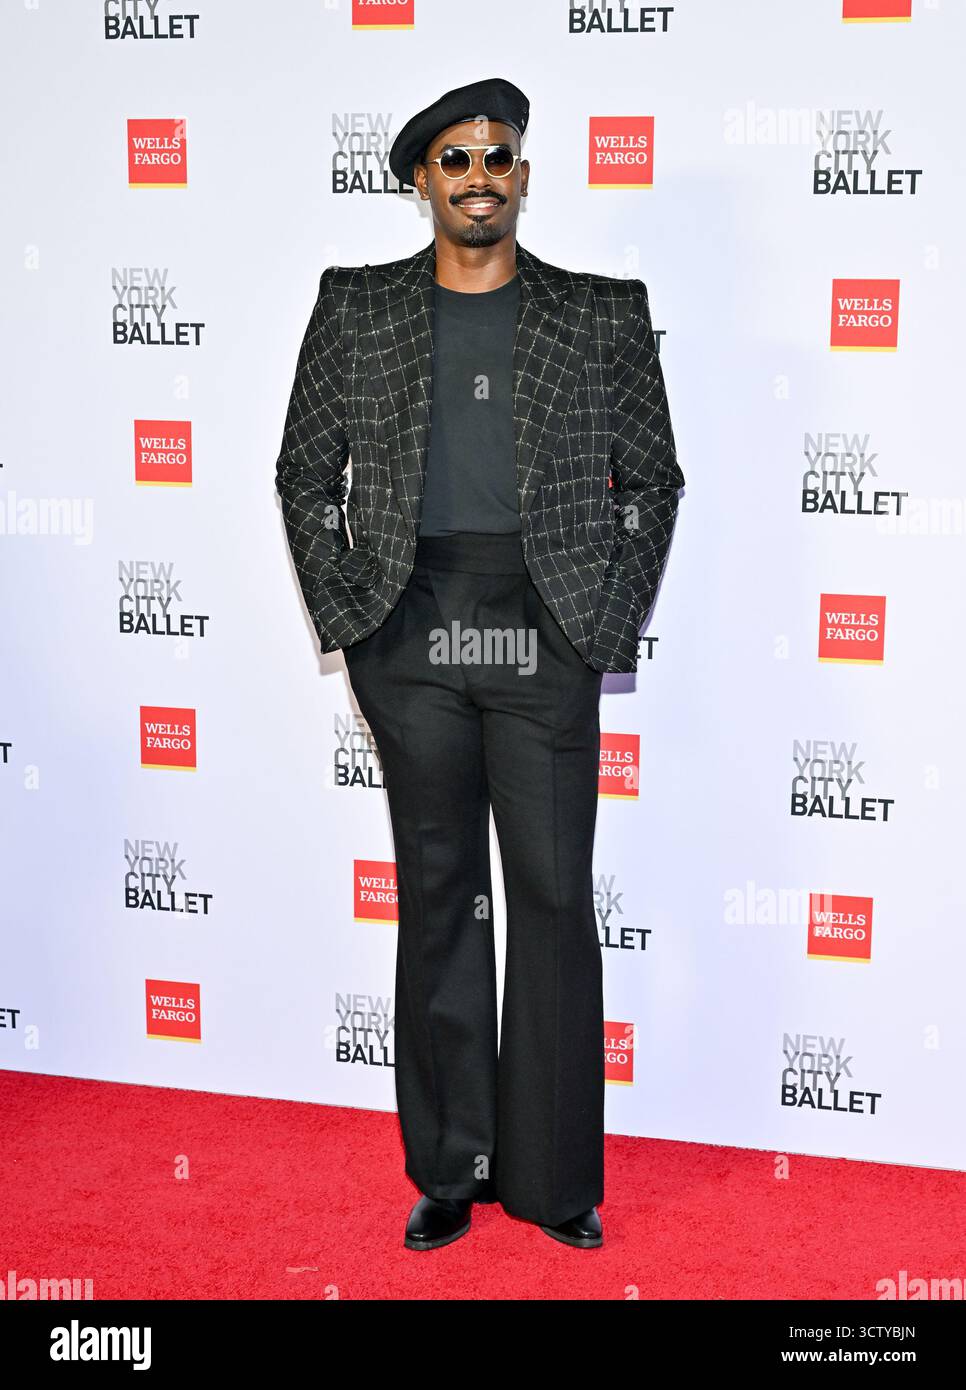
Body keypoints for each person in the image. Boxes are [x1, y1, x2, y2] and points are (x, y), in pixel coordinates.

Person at [274, 77, 684, 1251]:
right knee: (442, 895)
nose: (479, 177)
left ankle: (556, 1184)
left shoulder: (601, 314)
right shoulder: (355, 309)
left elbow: (654, 481)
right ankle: (451, 1166)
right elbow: (305, 475)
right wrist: (355, 614)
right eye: (455, 160)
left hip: (543, 625)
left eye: (498, 157)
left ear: (524, 177)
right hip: (414, 629)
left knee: (554, 899)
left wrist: (602, 626)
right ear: (421, 183)